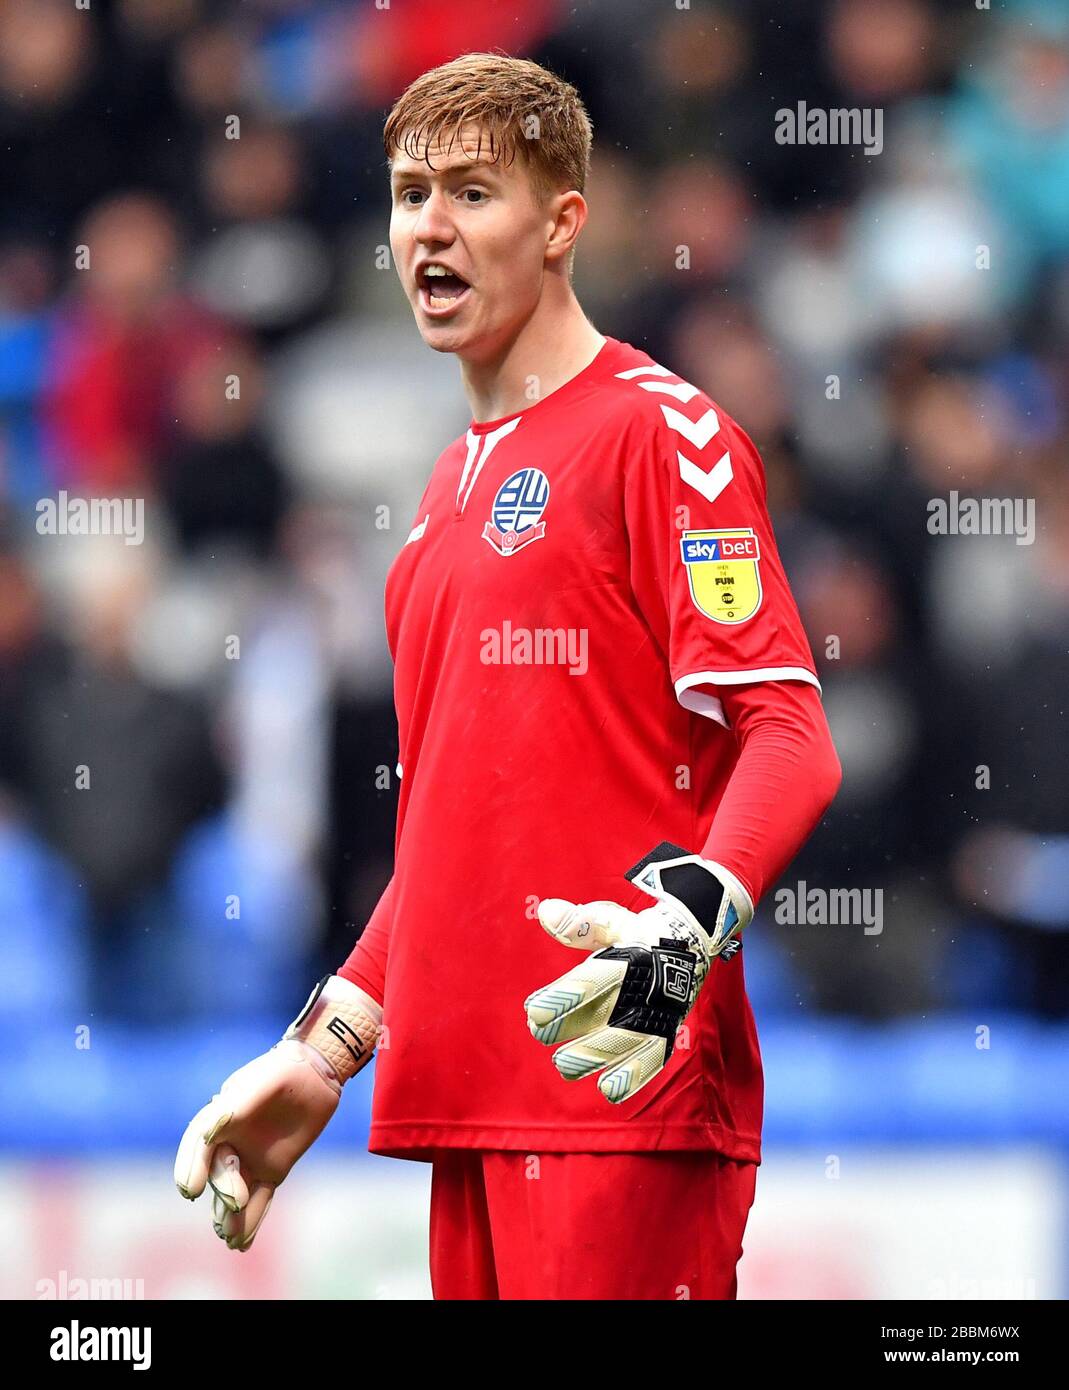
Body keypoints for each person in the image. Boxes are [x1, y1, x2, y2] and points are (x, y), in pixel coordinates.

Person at [175, 52, 841, 1301]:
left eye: (474, 192)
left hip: (617, 1084)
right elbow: (448, 828)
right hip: (468, 1101)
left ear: (562, 224)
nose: (430, 223)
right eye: (409, 191)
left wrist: (682, 933)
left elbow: (791, 735)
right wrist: (326, 1048)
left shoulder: (662, 431)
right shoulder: (443, 495)